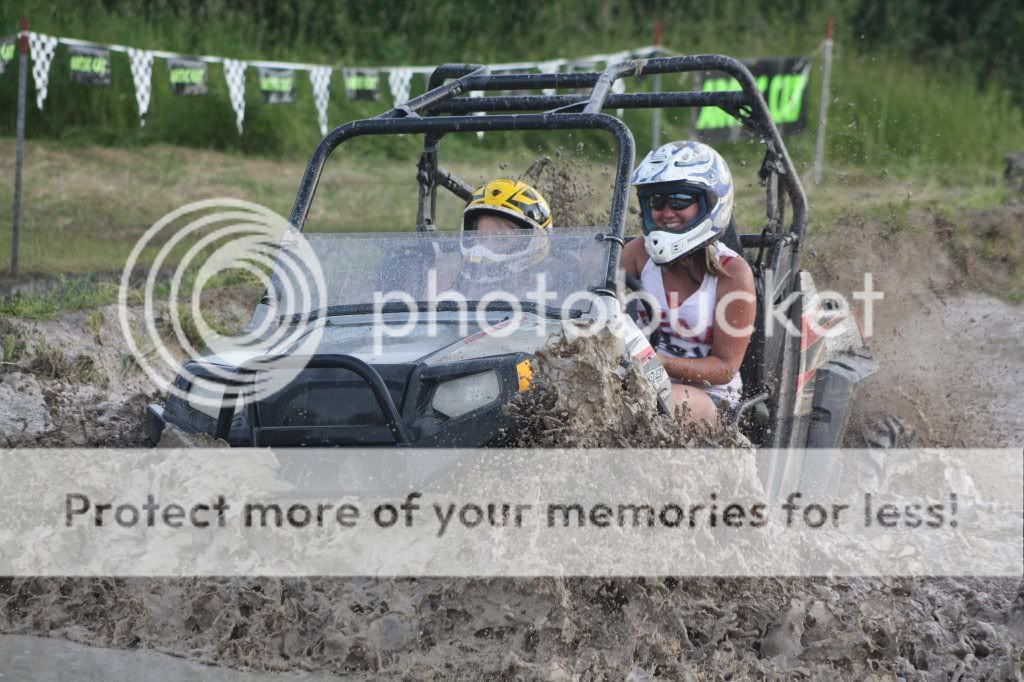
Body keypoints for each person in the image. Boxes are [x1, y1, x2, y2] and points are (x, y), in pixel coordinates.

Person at [620, 141, 756, 425]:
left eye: (680, 201)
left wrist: (657, 363)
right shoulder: (636, 254)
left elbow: (725, 367)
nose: (666, 212)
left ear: (710, 203)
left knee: (654, 407)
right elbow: (599, 306)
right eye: (656, 202)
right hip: (642, 381)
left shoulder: (733, 273)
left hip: (712, 395)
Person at [457, 179, 553, 288]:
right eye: (481, 238)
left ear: (536, 243)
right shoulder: (458, 290)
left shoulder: (556, 294)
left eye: (501, 239)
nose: (486, 249)